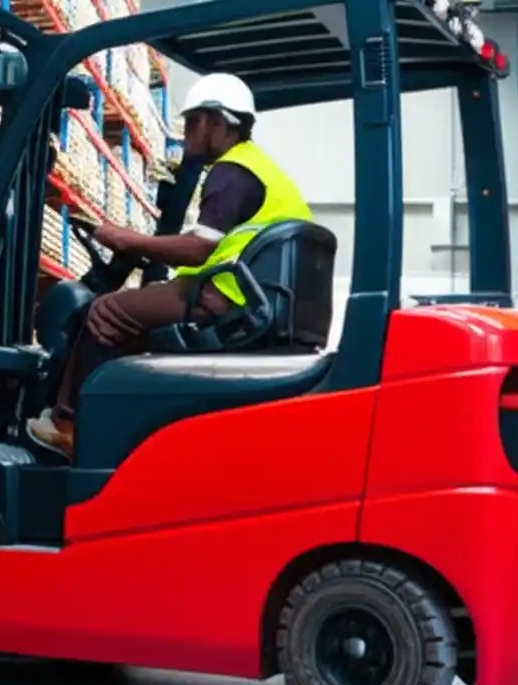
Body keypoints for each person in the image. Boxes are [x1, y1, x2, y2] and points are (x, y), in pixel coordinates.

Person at [27, 72, 312, 458]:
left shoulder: (233, 172)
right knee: (134, 323)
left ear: (218, 121)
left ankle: (68, 428)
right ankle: (118, 425)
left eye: (193, 122)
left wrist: (126, 239)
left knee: (103, 312)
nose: (187, 132)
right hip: (245, 299)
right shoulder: (258, 168)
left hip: (222, 299)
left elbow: (196, 250)